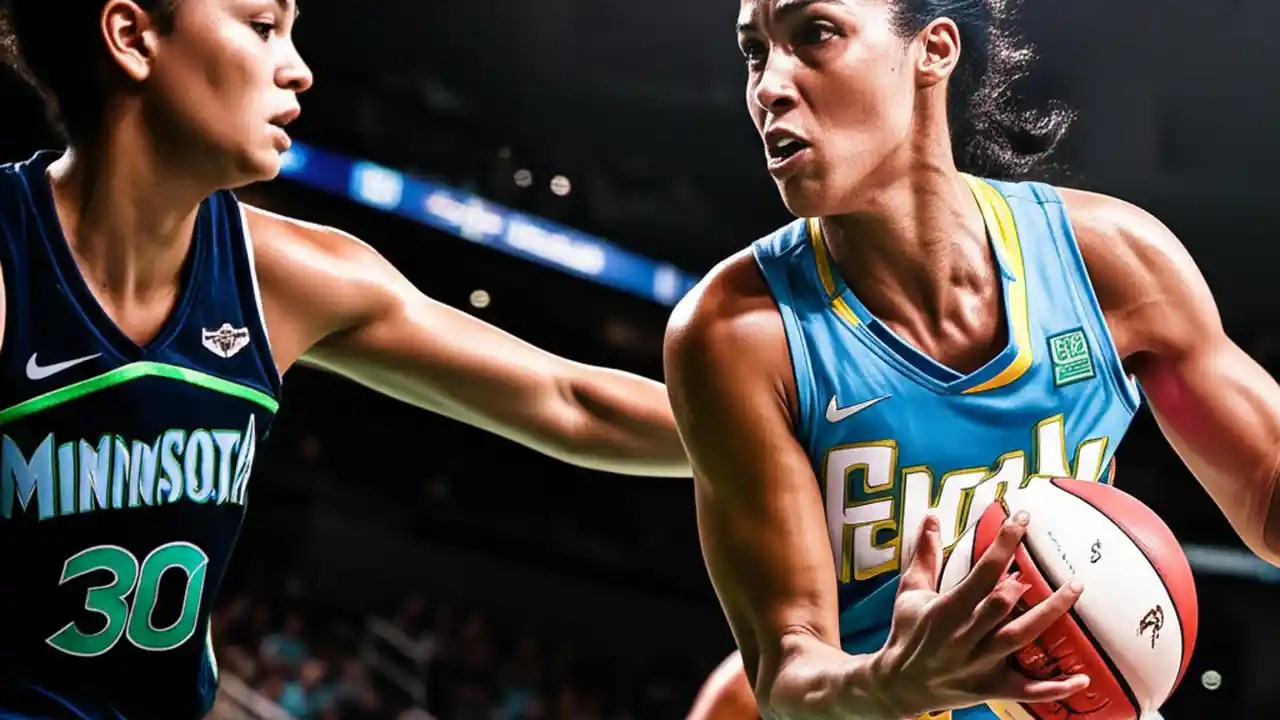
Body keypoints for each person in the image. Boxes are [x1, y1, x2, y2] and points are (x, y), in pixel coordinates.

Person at [0, 0, 690, 717]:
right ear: (132, 36)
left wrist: (796, 428)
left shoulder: (291, 277)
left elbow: (570, 401)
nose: (298, 69)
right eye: (263, 26)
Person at [664, 1, 1280, 719]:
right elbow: (787, 667)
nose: (769, 85)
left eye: (815, 35)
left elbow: (1267, 485)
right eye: (754, 52)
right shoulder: (737, 332)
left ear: (934, 50)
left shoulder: (1111, 262)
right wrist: (888, 684)